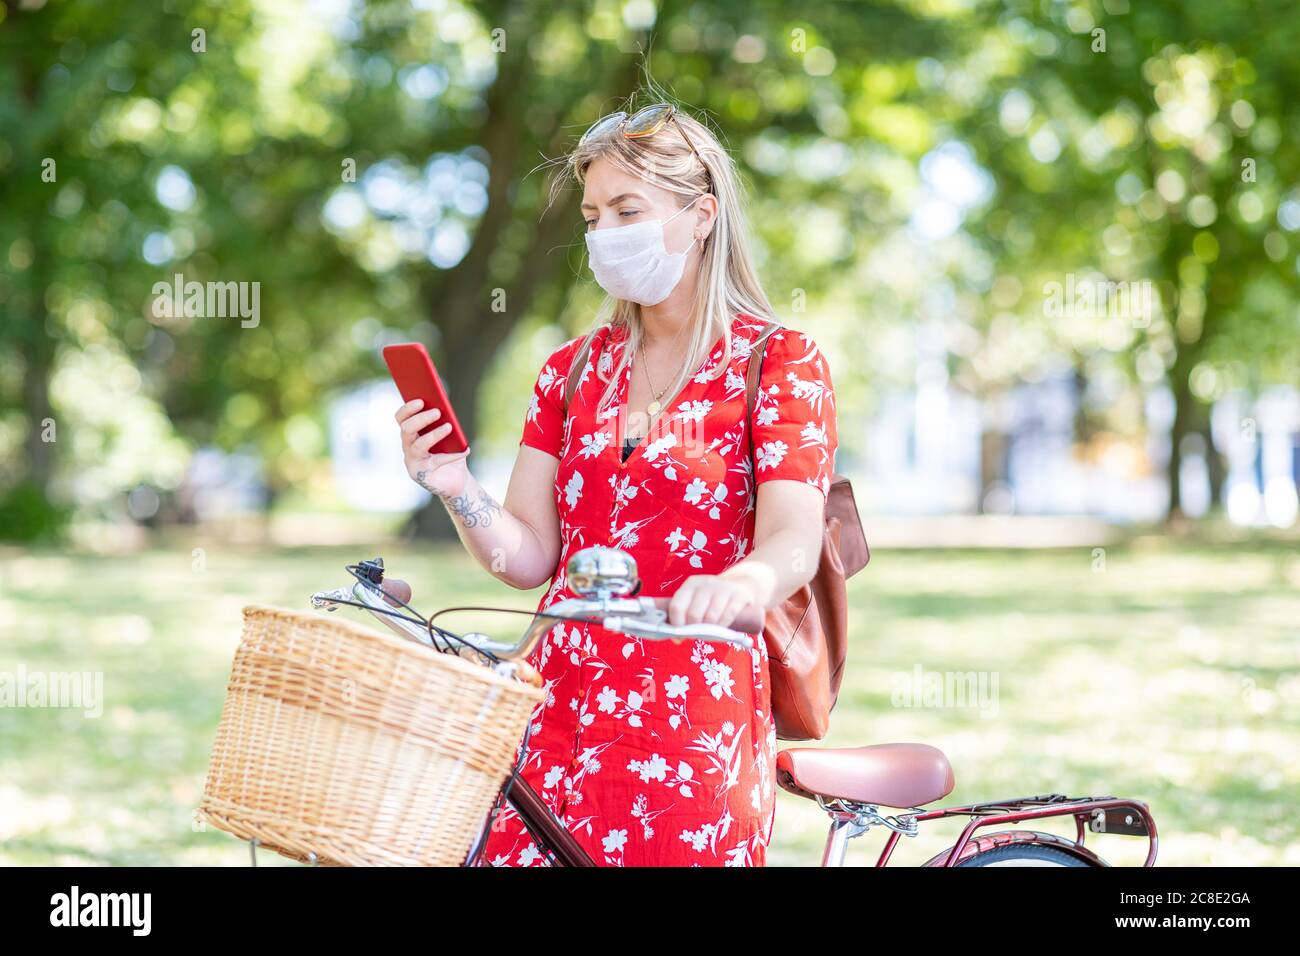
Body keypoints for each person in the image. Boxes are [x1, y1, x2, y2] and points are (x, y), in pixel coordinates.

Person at [394, 99, 838, 866]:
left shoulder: (779, 361)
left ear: (702, 216)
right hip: (554, 706)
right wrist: (452, 484)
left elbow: (794, 540)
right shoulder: (569, 373)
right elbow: (528, 559)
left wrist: (745, 582)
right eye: (594, 216)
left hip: (690, 721)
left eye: (627, 210)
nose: (604, 233)